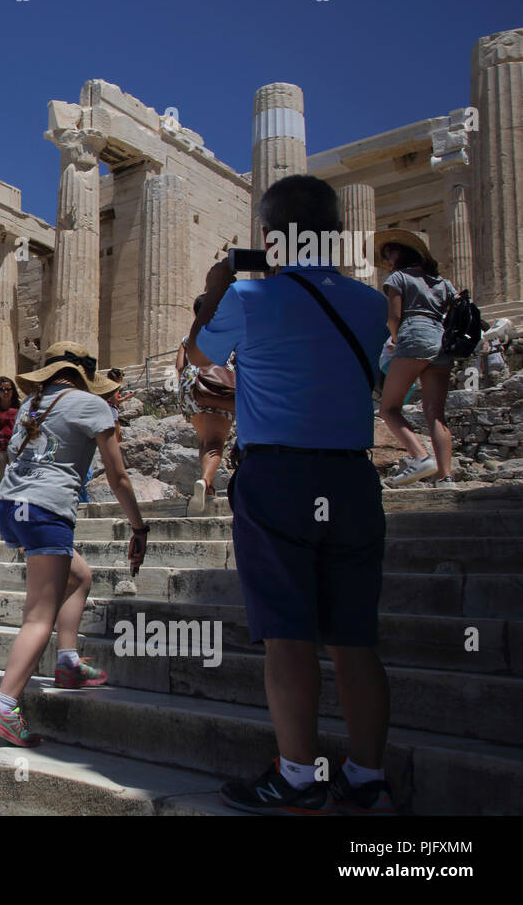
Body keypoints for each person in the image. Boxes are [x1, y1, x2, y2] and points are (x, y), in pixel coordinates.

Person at [186, 175, 392, 815]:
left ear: (272, 238)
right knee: (357, 639)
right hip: (354, 478)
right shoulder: (368, 303)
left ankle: (299, 776)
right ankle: (365, 777)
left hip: (280, 478)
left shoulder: (251, 298)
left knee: (288, 637)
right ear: (333, 233)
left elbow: (200, 358)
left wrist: (216, 293)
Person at [0, 342, 148, 747]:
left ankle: (68, 662)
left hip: (10, 507)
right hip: (45, 510)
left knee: (80, 575)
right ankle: (4, 705)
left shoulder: (32, 405)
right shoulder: (92, 406)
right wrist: (138, 527)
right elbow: (118, 477)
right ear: (83, 376)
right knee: (38, 616)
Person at [375, 229, 459, 487]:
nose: (387, 259)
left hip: (413, 336)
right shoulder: (443, 283)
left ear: (401, 253)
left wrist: (396, 341)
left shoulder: (398, 278)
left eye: (389, 253)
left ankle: (420, 457)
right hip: (440, 340)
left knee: (389, 408)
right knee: (436, 413)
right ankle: (446, 477)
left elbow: (393, 318)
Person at [176, 295, 236, 516]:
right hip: (215, 389)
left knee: (205, 439)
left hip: (191, 390)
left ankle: (208, 488)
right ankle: (203, 480)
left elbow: (179, 366)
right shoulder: (227, 336)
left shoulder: (188, 338)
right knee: (215, 443)